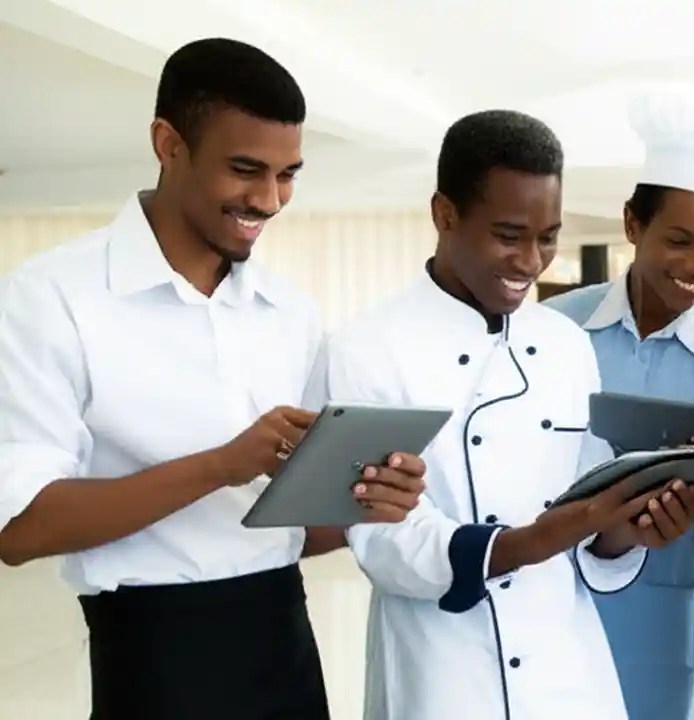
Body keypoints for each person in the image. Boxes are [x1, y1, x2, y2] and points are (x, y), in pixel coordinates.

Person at [0, 38, 425, 720]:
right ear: (168, 144)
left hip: (287, 648)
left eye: (288, 174)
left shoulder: (289, 312)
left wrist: (363, 502)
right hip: (153, 663)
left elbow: (291, 529)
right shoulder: (51, 297)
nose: (269, 199)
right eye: (246, 169)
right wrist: (224, 463)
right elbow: (18, 531)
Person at [304, 108, 694, 720]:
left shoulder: (566, 345)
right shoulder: (367, 348)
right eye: (508, 234)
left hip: (566, 673)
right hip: (442, 672)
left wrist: (633, 526)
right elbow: (384, 542)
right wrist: (533, 540)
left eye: (547, 236)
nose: (530, 260)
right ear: (445, 215)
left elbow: (591, 517)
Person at [544, 93, 694, 720]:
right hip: (550, 596)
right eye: (678, 240)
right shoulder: (555, 328)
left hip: (663, 615)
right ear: (632, 225)